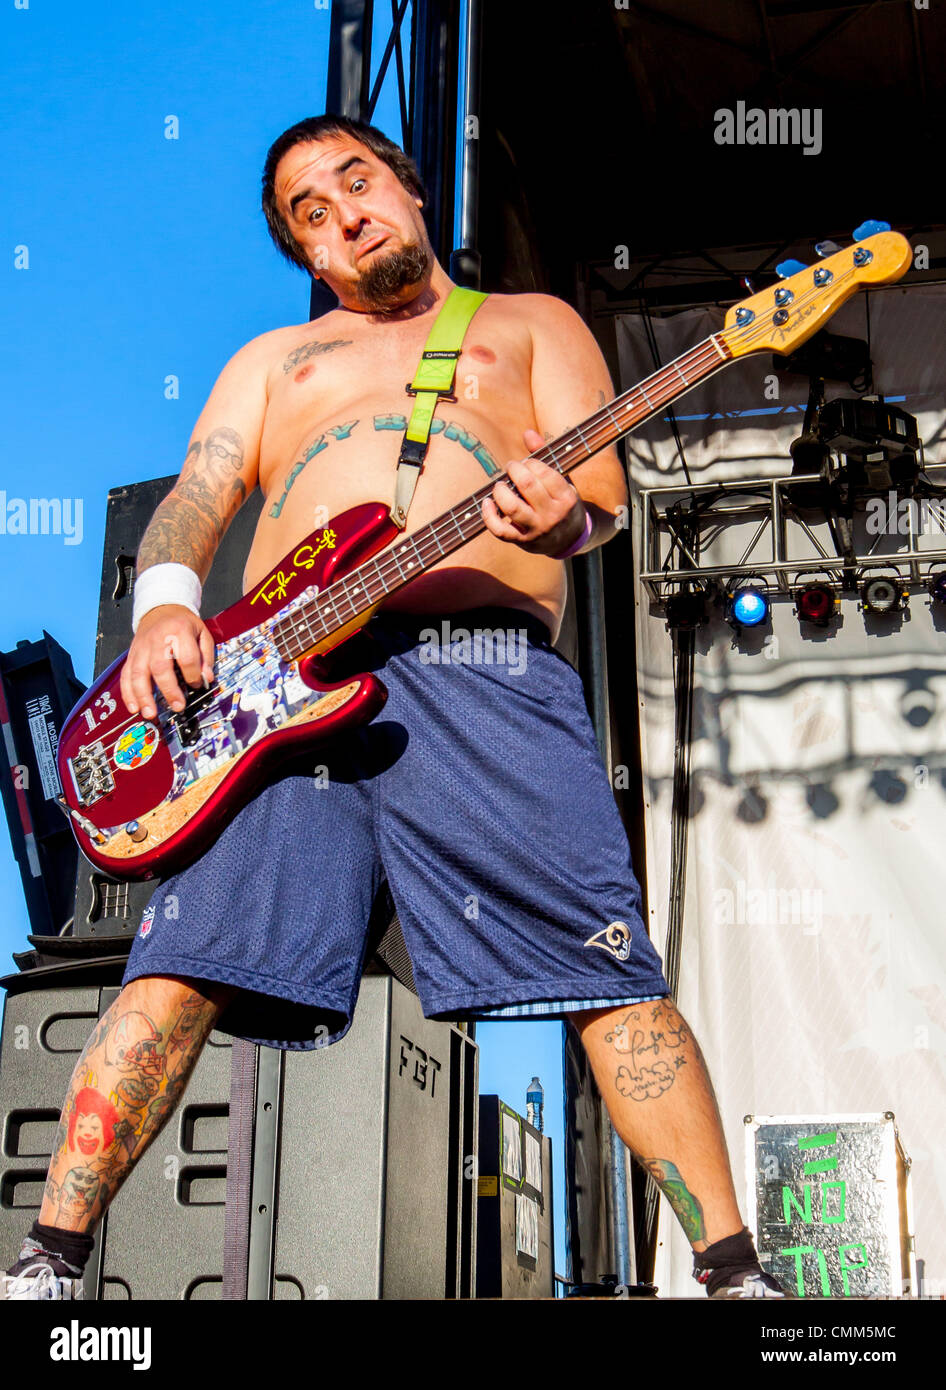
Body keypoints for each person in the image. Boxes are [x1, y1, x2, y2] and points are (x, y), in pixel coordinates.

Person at [2, 115, 786, 1301]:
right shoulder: (276, 360)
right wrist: (168, 605)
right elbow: (197, 498)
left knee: (604, 968)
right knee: (173, 969)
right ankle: (47, 1268)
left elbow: (601, 497)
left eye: (354, 184)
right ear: (309, 257)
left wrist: (559, 522)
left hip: (483, 667)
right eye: (309, 215)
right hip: (265, 702)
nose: (342, 216)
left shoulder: (529, 325)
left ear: (410, 192)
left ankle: (738, 1281)